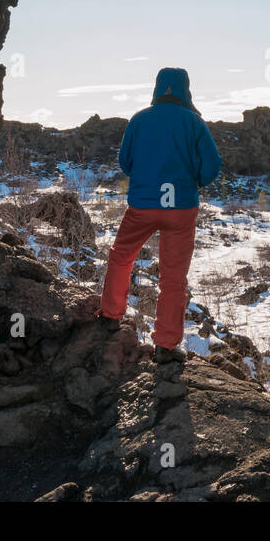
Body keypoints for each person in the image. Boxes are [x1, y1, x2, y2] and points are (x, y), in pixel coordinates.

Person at [96, 67, 222, 364]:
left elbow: (125, 161)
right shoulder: (194, 122)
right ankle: (165, 346)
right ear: (184, 89)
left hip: (142, 203)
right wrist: (195, 182)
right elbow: (213, 164)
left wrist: (145, 177)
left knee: (121, 257)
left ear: (158, 88)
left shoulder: (139, 119)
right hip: (181, 208)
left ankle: (111, 317)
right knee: (173, 278)